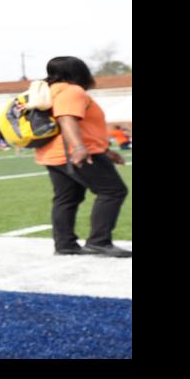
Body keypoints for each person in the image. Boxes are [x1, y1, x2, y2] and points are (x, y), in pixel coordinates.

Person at [37, 57, 131, 257]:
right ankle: (99, 241)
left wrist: (105, 150)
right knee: (113, 191)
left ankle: (64, 244)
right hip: (78, 153)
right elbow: (67, 119)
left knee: (67, 198)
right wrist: (79, 147)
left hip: (54, 154)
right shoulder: (72, 91)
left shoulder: (52, 91)